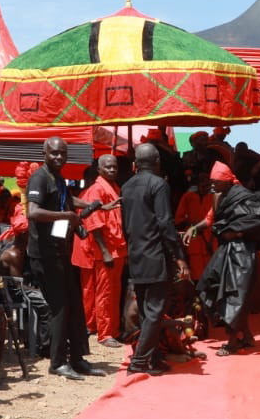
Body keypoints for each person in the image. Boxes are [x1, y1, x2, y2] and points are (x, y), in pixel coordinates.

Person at [25, 138, 108, 380]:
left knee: (74, 304)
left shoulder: (58, 179)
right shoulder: (39, 178)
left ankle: (78, 358)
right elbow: (33, 212)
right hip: (44, 255)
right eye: (54, 153)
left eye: (63, 153)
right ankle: (57, 362)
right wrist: (67, 216)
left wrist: (96, 206)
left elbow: (69, 202)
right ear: (45, 153)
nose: (59, 158)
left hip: (60, 250)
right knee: (60, 307)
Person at [121, 143, 190, 376]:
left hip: (136, 254)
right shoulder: (159, 184)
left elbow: (125, 224)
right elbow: (165, 224)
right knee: (155, 312)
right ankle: (139, 362)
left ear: (136, 163)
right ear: (157, 160)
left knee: (145, 311)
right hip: (156, 255)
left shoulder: (127, 185)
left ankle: (152, 357)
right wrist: (179, 257)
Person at [195, 161, 260, 355]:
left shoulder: (244, 197)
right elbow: (211, 219)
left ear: (227, 181)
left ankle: (232, 342)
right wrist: (194, 228)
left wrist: (238, 233)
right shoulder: (219, 196)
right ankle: (246, 335)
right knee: (211, 284)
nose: (211, 185)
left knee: (235, 294)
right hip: (226, 249)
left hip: (242, 252)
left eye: (215, 182)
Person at [76, 155, 126, 349]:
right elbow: (94, 223)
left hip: (116, 247)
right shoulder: (97, 189)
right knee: (104, 292)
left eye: (114, 167)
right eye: (108, 167)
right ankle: (105, 334)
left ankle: (111, 330)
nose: (112, 170)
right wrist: (104, 251)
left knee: (113, 291)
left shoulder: (114, 187)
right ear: (99, 169)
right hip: (105, 249)